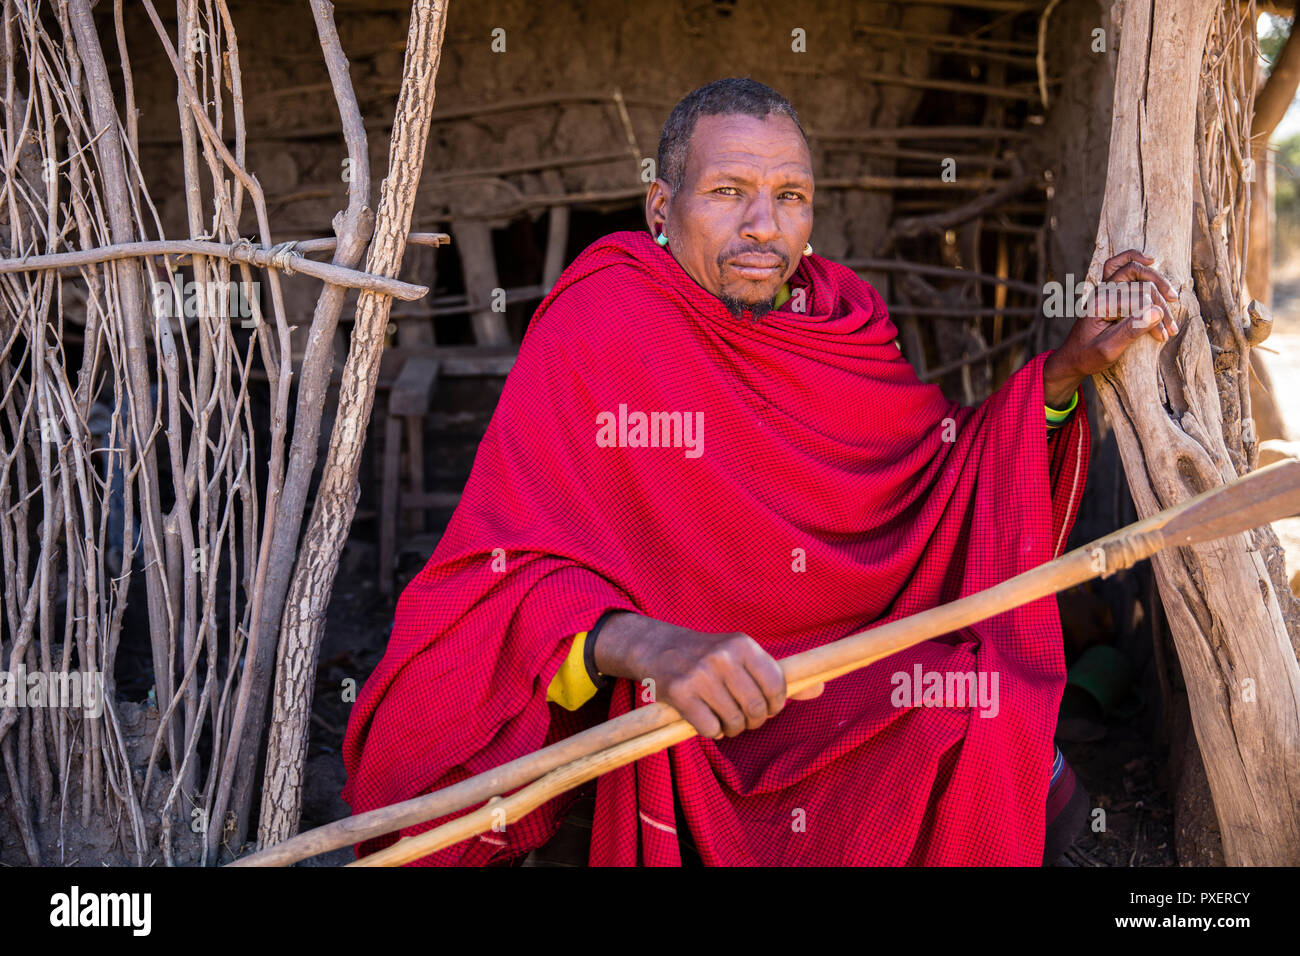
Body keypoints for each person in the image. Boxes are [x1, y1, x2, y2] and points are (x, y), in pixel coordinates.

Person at [342, 77, 1178, 866]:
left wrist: (1064, 372)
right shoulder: (606, 321)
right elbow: (507, 567)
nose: (763, 226)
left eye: (790, 196)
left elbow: (940, 475)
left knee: (983, 708)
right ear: (660, 207)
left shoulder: (844, 318)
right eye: (727, 191)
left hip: (836, 679)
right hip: (680, 712)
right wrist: (645, 644)